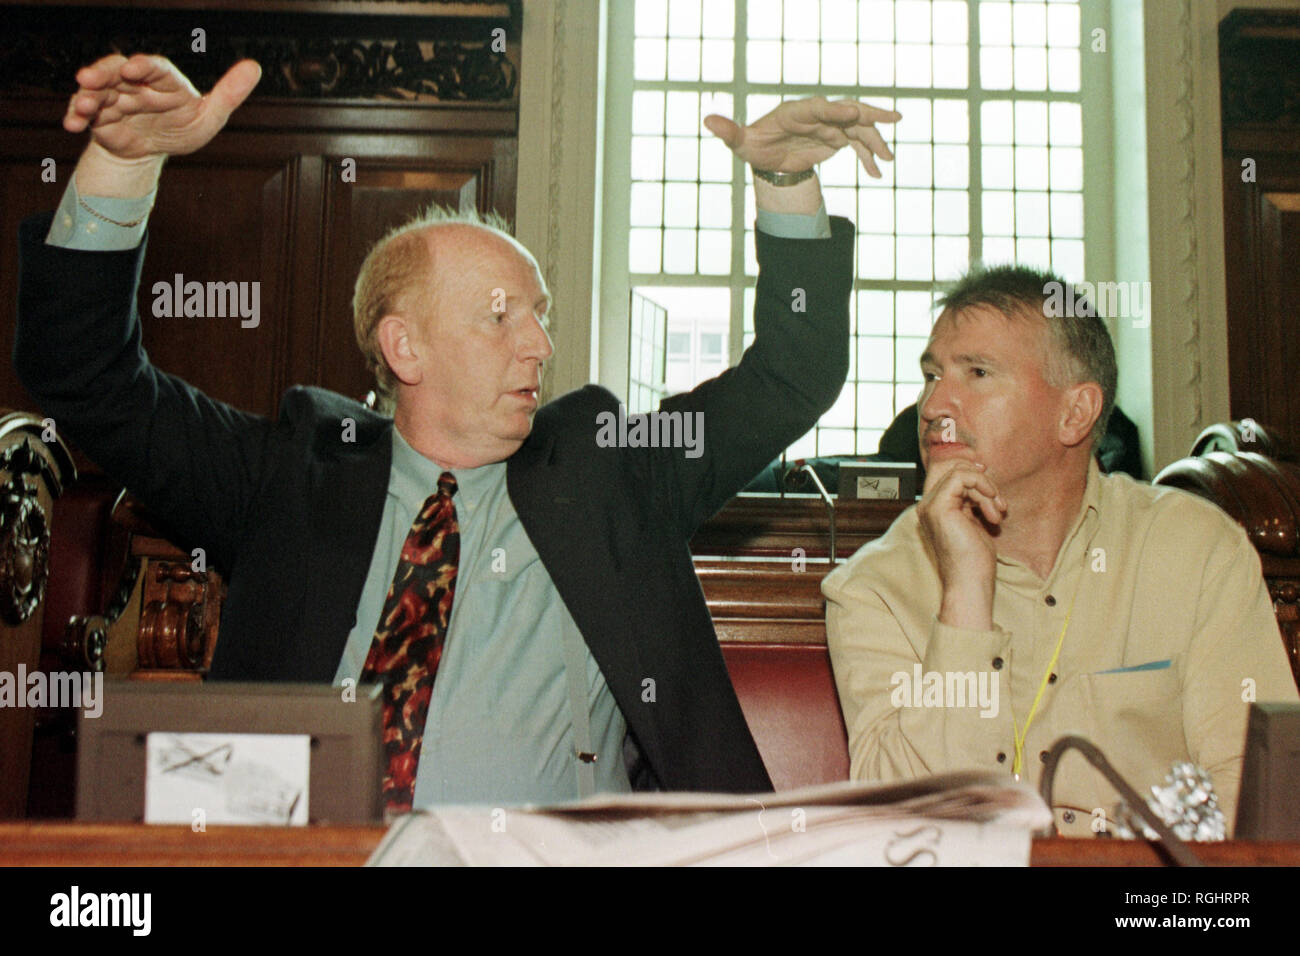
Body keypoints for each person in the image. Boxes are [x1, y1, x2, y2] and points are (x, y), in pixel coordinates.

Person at [15, 54, 898, 810]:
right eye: (504, 317)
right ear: (405, 346)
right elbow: (87, 376)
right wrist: (121, 167)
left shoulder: (610, 472)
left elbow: (793, 373)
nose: (542, 345)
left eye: (543, 318)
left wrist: (784, 185)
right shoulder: (289, 473)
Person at [822, 263, 1299, 836]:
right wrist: (966, 594)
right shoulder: (871, 587)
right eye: (931, 375)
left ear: (1075, 413)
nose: (934, 406)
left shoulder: (1196, 551)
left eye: (976, 373)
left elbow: (1255, 796)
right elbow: (901, 825)